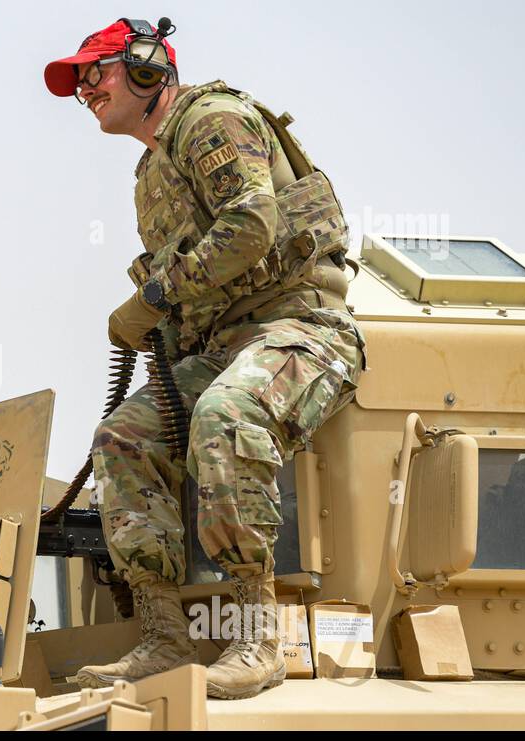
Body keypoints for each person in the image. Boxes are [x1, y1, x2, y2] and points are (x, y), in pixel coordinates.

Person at [43, 17, 366, 699]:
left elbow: (251, 228)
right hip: (223, 346)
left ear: (145, 69)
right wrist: (159, 313)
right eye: (81, 85)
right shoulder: (150, 171)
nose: (87, 92)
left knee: (225, 414)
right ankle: (165, 639)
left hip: (301, 329)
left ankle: (258, 637)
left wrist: (154, 297)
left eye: (95, 73)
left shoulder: (210, 121)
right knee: (123, 437)